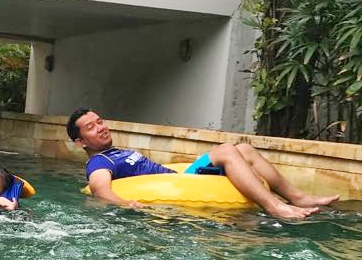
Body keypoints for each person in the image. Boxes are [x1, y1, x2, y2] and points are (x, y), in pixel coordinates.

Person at [67, 108, 339, 220]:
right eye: (91, 128)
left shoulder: (117, 151)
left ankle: (298, 197)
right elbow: (100, 187)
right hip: (184, 184)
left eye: (100, 121)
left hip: (179, 176)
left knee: (244, 148)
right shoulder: (100, 161)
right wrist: (128, 204)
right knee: (227, 150)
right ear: (81, 142)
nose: (100, 128)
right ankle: (275, 206)